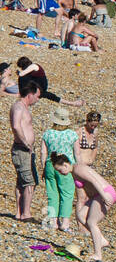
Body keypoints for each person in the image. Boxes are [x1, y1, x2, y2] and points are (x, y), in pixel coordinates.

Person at [51, 155, 116, 262]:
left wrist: (104, 196)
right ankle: (101, 240)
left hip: (105, 193)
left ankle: (98, 254)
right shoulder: (74, 171)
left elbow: (94, 181)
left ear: (65, 165)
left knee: (92, 222)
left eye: (59, 170)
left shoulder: (78, 169)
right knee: (81, 216)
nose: (60, 173)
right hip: (97, 195)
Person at [40, 105, 78, 231]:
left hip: (51, 164)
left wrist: (43, 167)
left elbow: (43, 153)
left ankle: (53, 221)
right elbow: (77, 154)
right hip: (66, 166)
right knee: (66, 194)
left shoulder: (48, 133)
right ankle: (65, 223)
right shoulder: (72, 134)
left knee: (52, 194)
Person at [10, 78, 40, 222]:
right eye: (37, 96)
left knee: (22, 181)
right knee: (29, 182)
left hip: (25, 149)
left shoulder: (22, 107)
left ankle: (19, 212)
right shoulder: (19, 107)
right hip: (22, 149)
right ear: (30, 94)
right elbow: (16, 126)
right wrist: (25, 143)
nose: (37, 99)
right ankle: (26, 214)